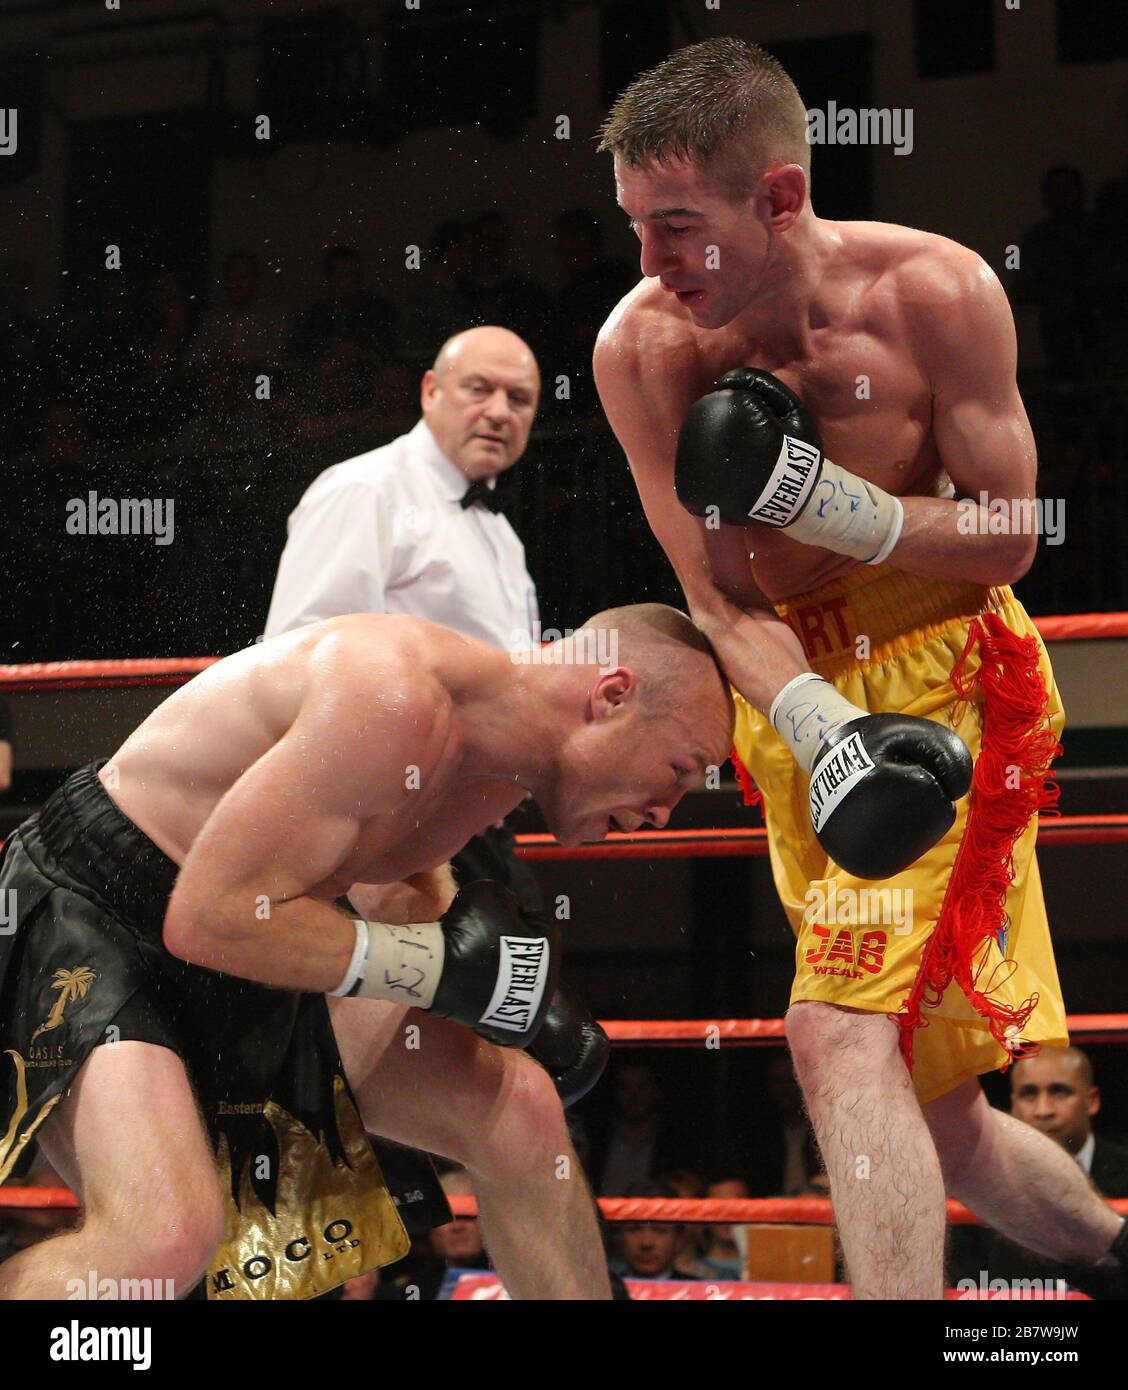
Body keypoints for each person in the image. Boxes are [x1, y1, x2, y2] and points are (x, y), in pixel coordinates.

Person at [592, 35, 1127, 1298]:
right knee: (935, 1119)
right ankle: (1112, 1257)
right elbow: (716, 593)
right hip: (795, 699)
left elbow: (1014, 537)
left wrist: (844, 509)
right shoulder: (644, 353)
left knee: (831, 1038)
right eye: (633, 228)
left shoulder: (936, 293)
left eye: (678, 226)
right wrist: (823, 723)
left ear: (779, 197)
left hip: (950, 674)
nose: (652, 266)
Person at [0, 603, 734, 1301]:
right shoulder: (394, 696)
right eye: (679, 768)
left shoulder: (500, 765)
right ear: (610, 695)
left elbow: (391, 878)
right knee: (163, 1240)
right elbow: (210, 917)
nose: (665, 812)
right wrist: (443, 967)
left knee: (519, 1109)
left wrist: (479, 990)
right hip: (103, 912)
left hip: (265, 942)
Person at [951, 1048, 1128, 1298]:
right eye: (1029, 1094)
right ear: (1013, 1105)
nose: (1044, 1110)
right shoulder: (977, 1183)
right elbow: (965, 1285)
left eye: (1059, 1092)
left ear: (1093, 1100)